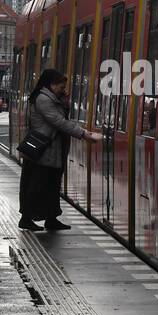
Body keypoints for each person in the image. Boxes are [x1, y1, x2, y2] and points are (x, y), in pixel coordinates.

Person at [19, 68, 100, 231]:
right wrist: (84, 134)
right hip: (42, 150)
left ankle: (51, 218)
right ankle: (26, 218)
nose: (64, 90)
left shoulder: (53, 98)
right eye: (61, 87)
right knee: (36, 184)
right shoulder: (43, 99)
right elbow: (58, 121)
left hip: (52, 150)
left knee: (52, 184)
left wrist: (63, 99)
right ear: (51, 84)